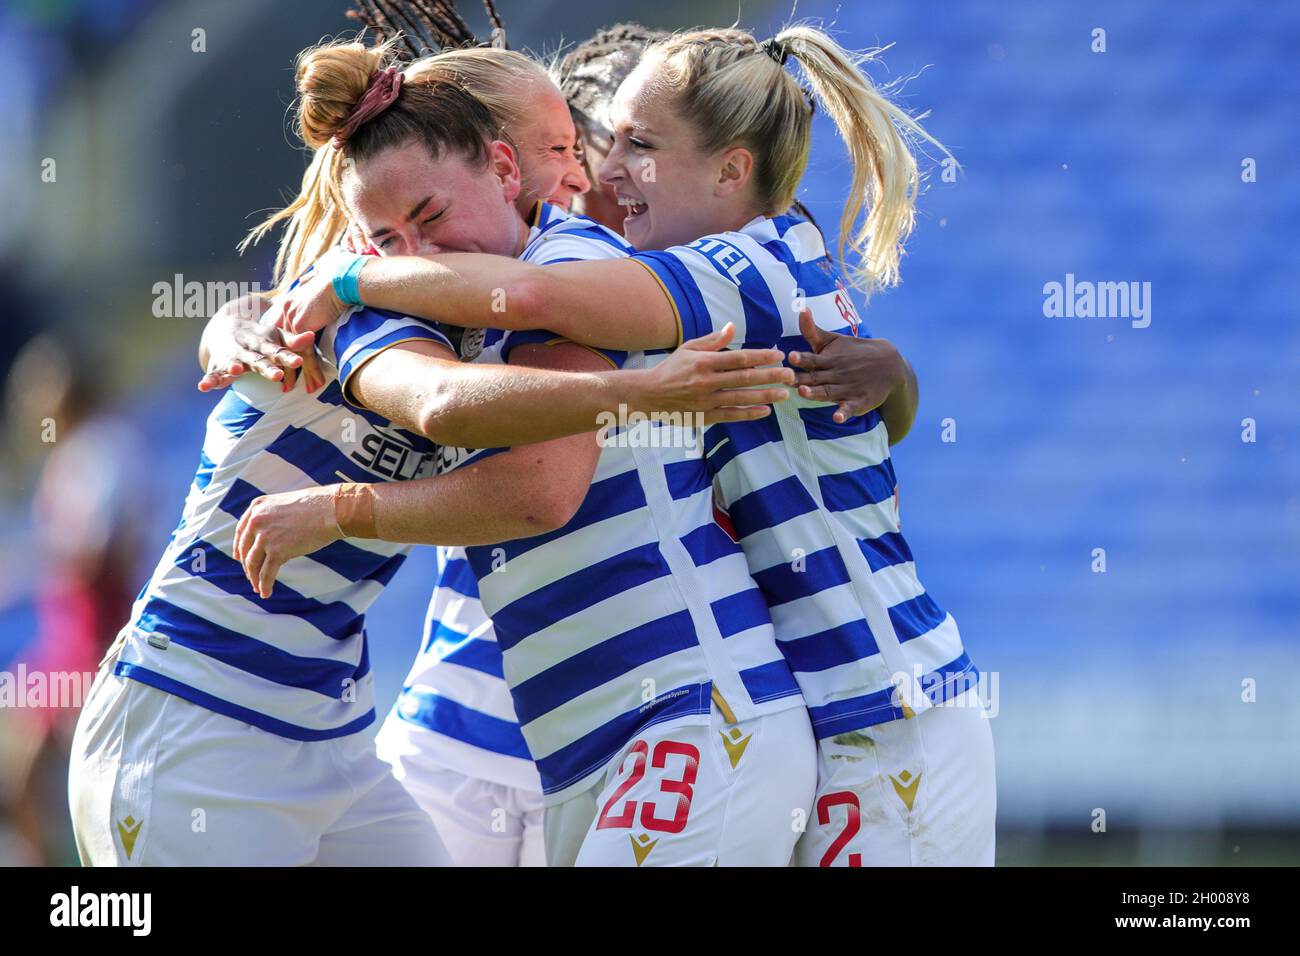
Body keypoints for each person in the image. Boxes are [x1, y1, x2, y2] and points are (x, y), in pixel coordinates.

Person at [271, 24, 996, 866]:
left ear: (731, 168)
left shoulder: (718, 269)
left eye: (637, 145)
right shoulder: (755, 255)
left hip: (874, 701)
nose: (606, 172)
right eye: (599, 141)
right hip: (806, 703)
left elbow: (534, 298)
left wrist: (351, 277)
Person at [66, 43, 788, 866]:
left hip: (327, 733)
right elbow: (443, 408)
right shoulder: (376, 298)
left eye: (431, 218)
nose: (414, 253)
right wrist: (646, 397)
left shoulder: (496, 290)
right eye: (387, 235)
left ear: (505, 170)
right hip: (198, 711)